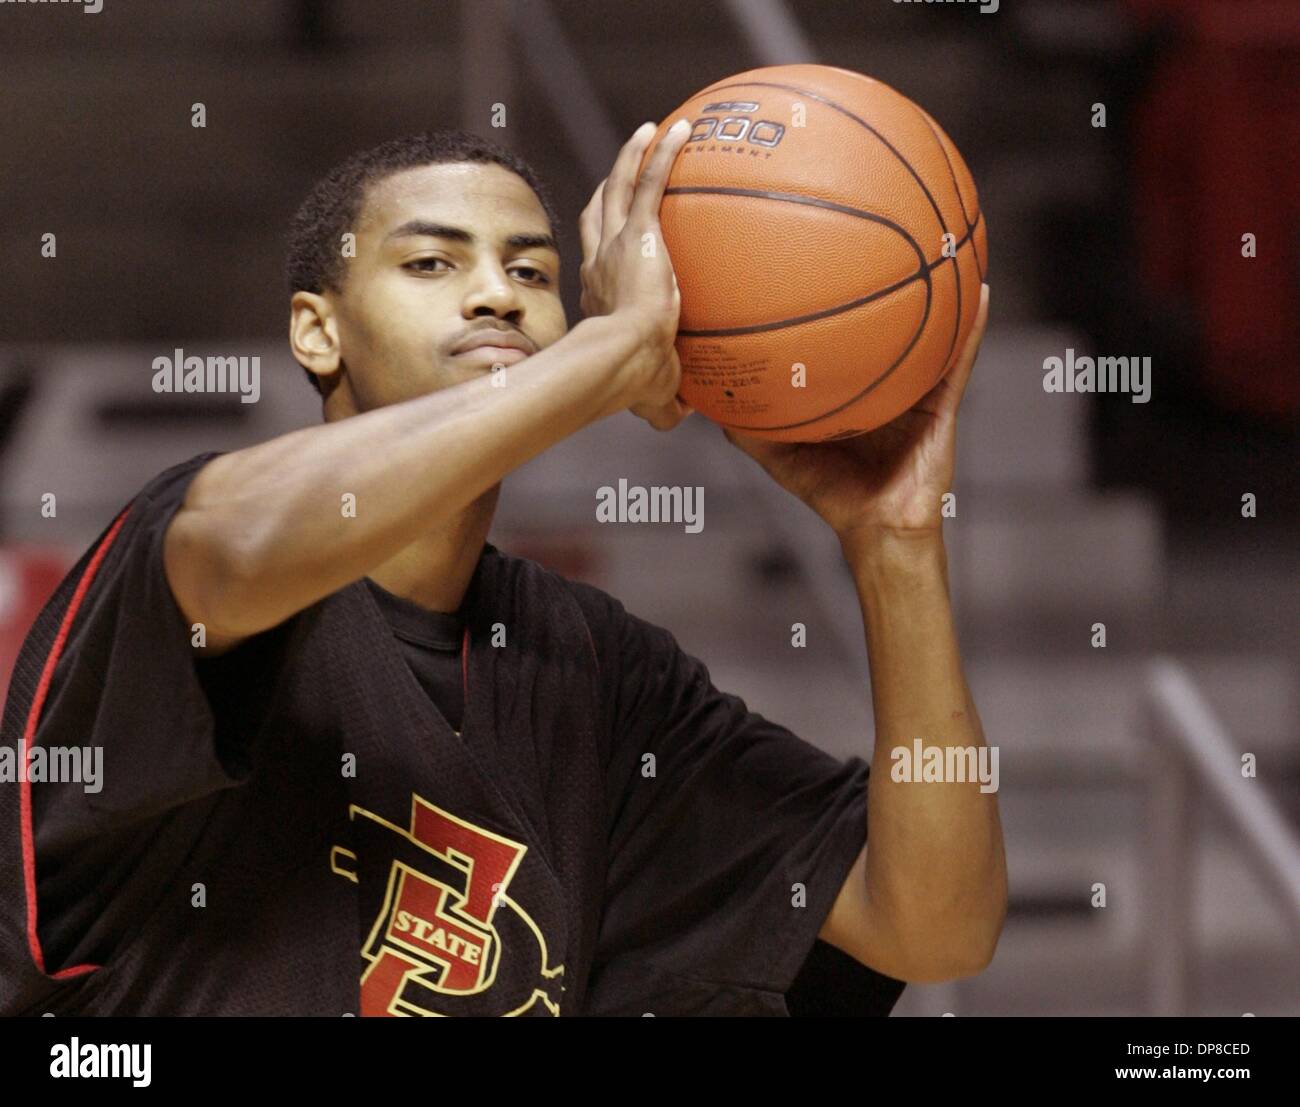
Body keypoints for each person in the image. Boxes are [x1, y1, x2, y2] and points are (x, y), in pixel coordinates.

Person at [0, 121, 1005, 1016]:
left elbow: (931, 928)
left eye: (533, 274)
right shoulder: (185, 550)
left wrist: (894, 548)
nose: (496, 294)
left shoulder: (596, 672)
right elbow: (238, 548)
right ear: (317, 330)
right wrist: (610, 358)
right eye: (432, 264)